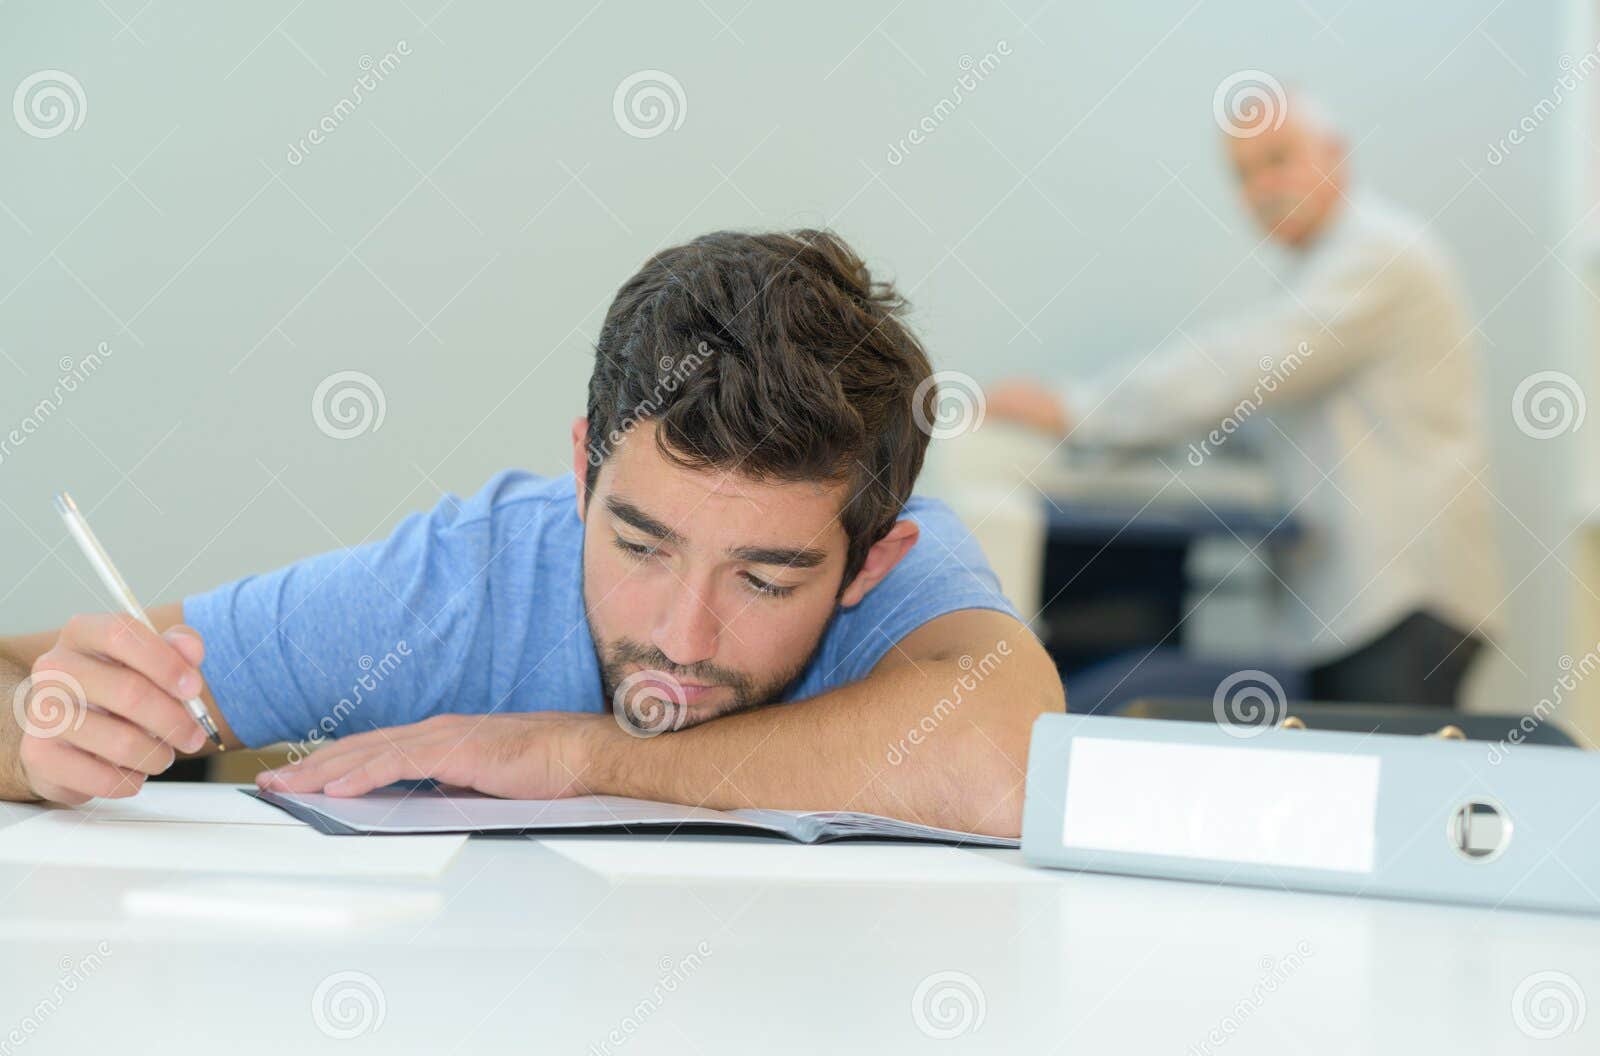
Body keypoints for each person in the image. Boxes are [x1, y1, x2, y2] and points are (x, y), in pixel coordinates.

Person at [0, 230, 1063, 836]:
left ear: (871, 563)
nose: (682, 637)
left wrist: (569, 756)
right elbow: (18, 678)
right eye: (640, 546)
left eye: (764, 582)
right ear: (582, 474)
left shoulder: (908, 571)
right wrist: (48, 734)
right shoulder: (472, 579)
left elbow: (1006, 761)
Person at [986, 92, 1503, 707]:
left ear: (1336, 155)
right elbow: (1252, 415)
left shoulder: (1380, 255)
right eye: (1244, 174)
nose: (1262, 186)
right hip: (1359, 608)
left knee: (1392, 792)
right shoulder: (1319, 272)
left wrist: (1077, 410)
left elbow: (1237, 368)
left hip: (1401, 602)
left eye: (1279, 158)